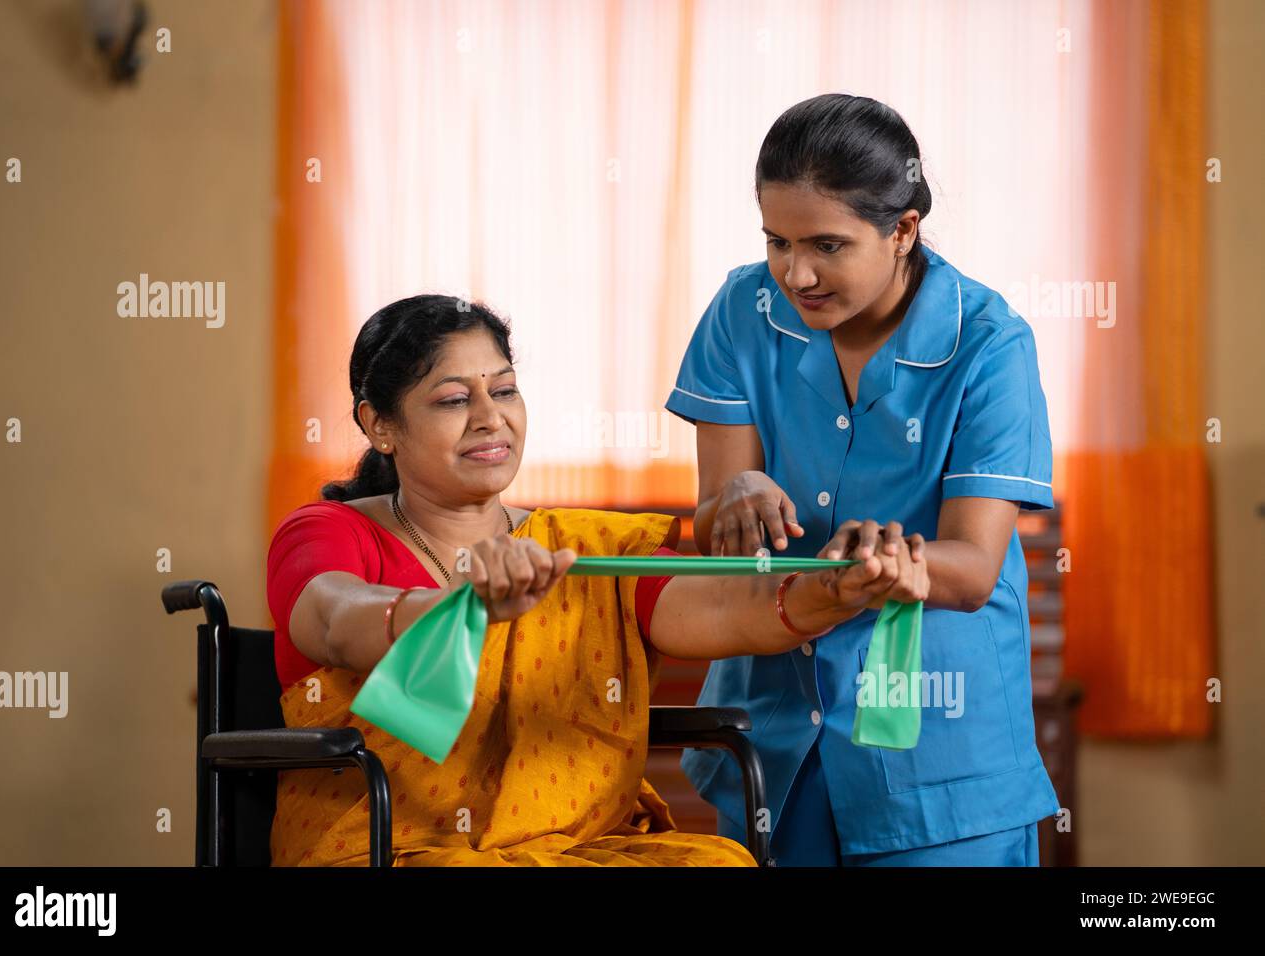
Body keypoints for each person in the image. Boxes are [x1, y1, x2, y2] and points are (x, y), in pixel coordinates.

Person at [266, 293, 927, 866]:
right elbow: (334, 619)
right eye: (451, 400)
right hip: (389, 848)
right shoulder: (329, 531)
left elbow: (725, 609)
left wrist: (833, 590)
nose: (490, 417)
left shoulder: (583, 546)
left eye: (503, 389)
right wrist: (460, 609)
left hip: (576, 848)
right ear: (380, 425)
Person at [666, 93, 1059, 866]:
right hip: (771, 737)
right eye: (776, 241)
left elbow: (973, 569)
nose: (795, 273)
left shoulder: (988, 344)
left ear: (903, 229)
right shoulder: (740, 312)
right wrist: (734, 496)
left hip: (934, 754)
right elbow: (717, 537)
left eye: (827, 246)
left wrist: (878, 565)